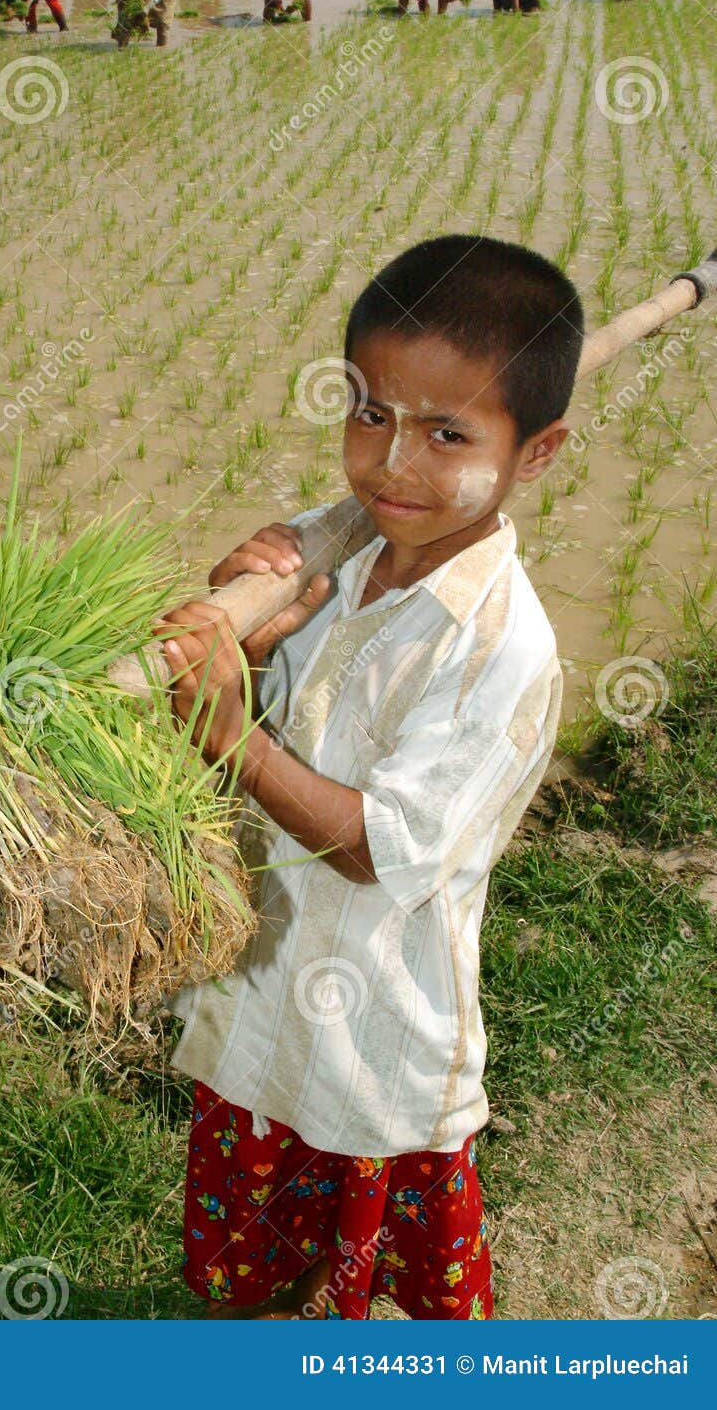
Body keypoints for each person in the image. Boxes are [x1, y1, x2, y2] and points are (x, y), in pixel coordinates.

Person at [155, 233, 582, 1321]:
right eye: (369, 413)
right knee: (247, 1276)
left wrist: (228, 736)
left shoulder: (503, 650)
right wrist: (254, 626)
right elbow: (284, 671)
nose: (393, 463)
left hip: (378, 1042)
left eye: (449, 433)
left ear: (535, 453)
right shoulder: (344, 545)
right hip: (261, 998)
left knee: (409, 1302)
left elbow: (374, 845)